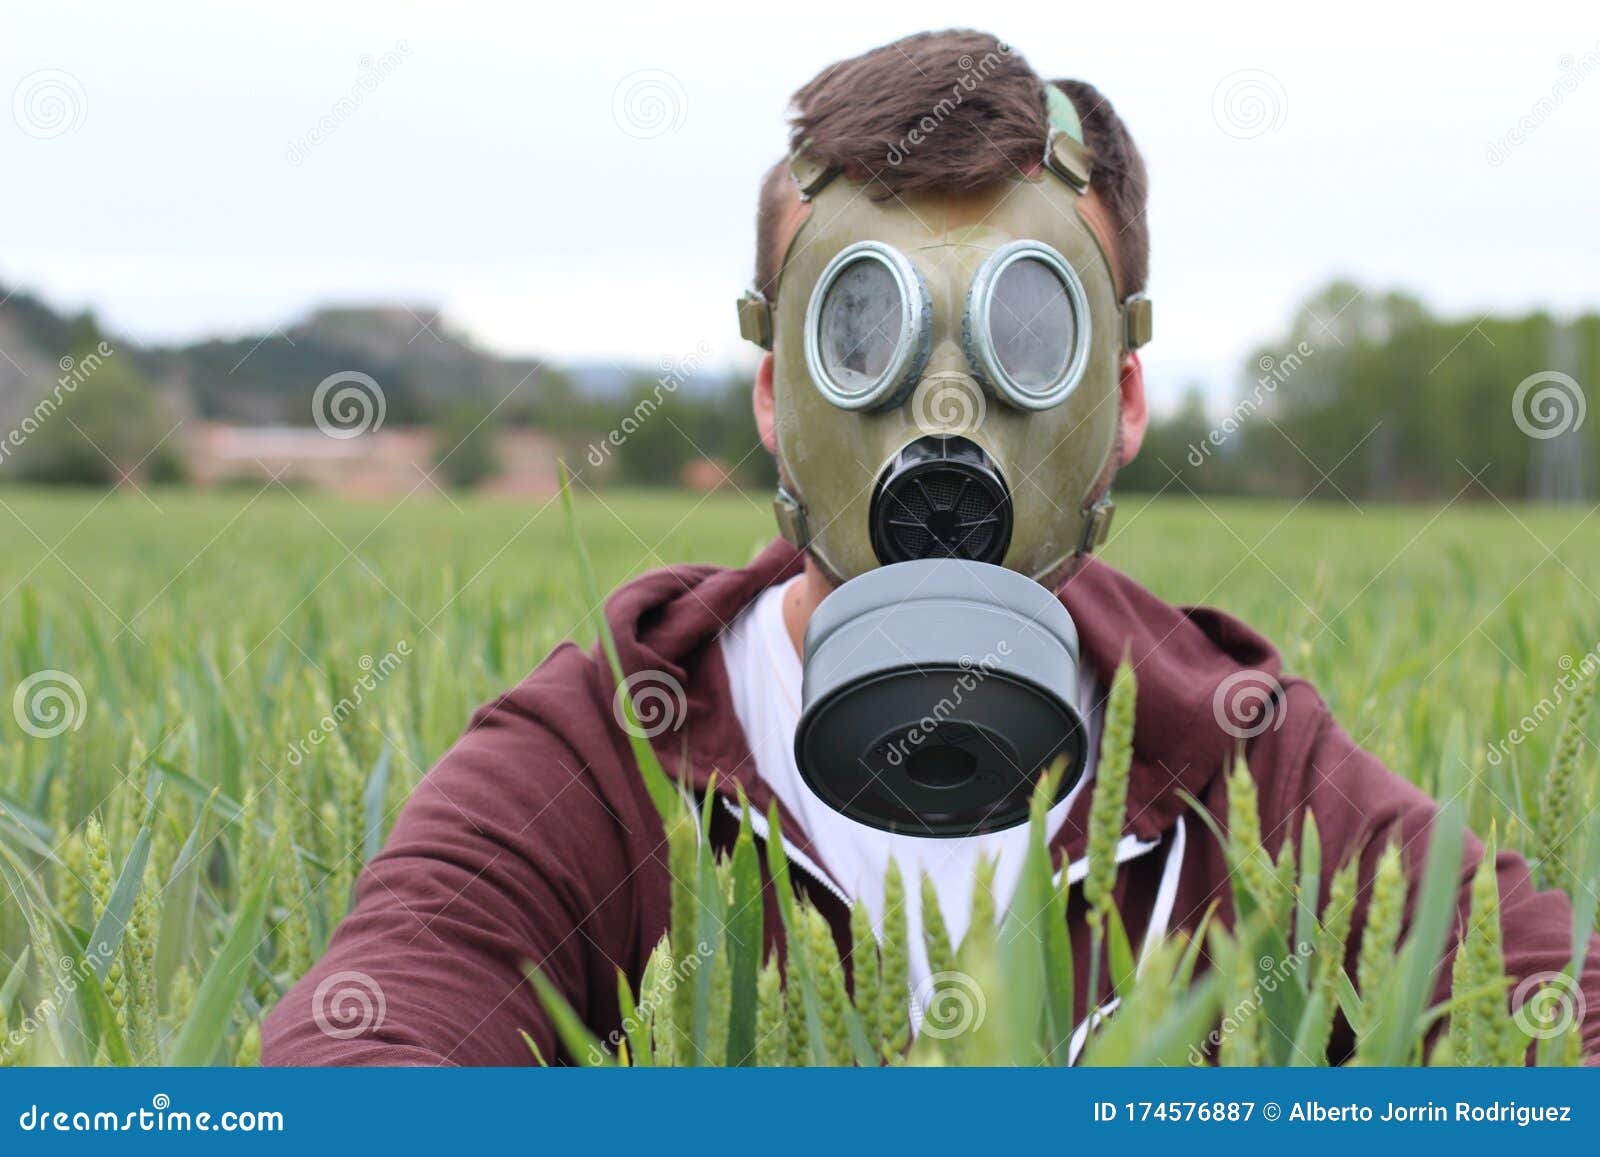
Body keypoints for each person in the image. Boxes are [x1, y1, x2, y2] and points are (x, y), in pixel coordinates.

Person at [262, 28, 1600, 1066]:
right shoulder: (613, 754)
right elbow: (366, 1044)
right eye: (864, 335)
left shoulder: (1238, 764)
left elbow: (1559, 1017)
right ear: (776, 396)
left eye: (1029, 338)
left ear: (1124, 400)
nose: (943, 410)